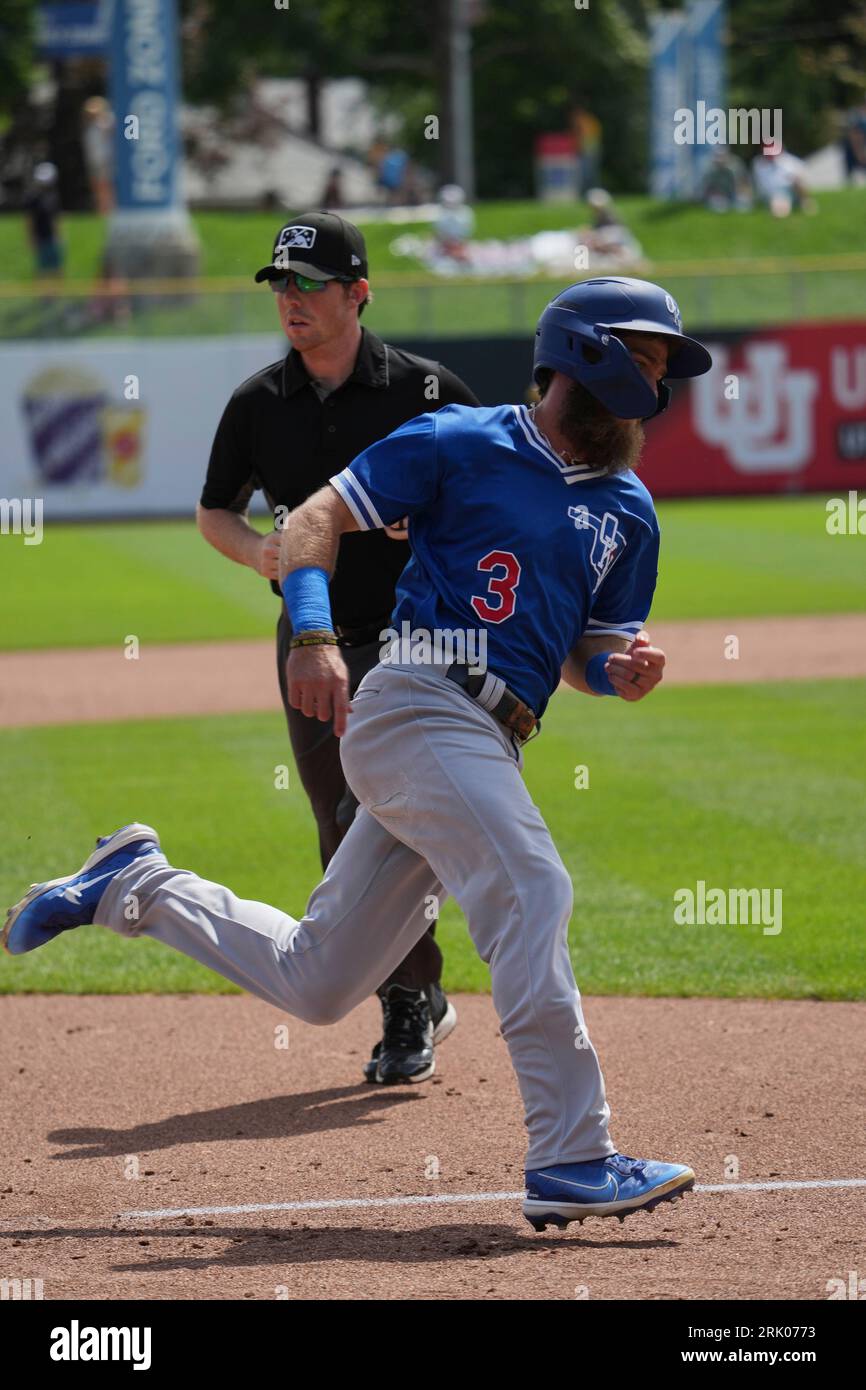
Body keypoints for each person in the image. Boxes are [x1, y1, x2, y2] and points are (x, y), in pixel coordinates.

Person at [4, 276, 712, 1231]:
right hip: (419, 702)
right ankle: (574, 1156)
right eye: (649, 356)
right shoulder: (461, 438)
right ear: (586, 354)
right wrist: (312, 634)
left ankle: (137, 883)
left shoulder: (631, 510)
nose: (661, 380)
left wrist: (616, 668)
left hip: (489, 739)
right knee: (531, 886)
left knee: (320, 978)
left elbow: (587, 651)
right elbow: (309, 521)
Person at [196, 211, 479, 1084]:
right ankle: (410, 997)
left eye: (309, 284)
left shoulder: (429, 392)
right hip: (313, 644)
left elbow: (492, 497)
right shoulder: (256, 403)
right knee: (343, 823)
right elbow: (217, 511)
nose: (292, 299)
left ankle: (409, 995)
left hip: (422, 642)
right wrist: (258, 553)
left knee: (416, 822)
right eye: (281, 284)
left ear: (358, 292)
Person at [751, 141, 816, 217]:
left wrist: (794, 179)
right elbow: (762, 185)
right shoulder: (758, 163)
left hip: (792, 190)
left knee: (798, 182)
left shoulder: (789, 160)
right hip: (773, 193)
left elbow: (803, 174)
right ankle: (782, 211)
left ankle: (806, 203)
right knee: (779, 202)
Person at [25, 163, 64, 277]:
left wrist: (59, 235)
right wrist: (31, 237)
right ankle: (43, 293)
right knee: (42, 268)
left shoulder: (54, 197)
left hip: (51, 237)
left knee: (57, 267)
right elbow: (29, 219)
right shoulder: (33, 197)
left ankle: (56, 293)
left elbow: (56, 219)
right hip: (41, 237)